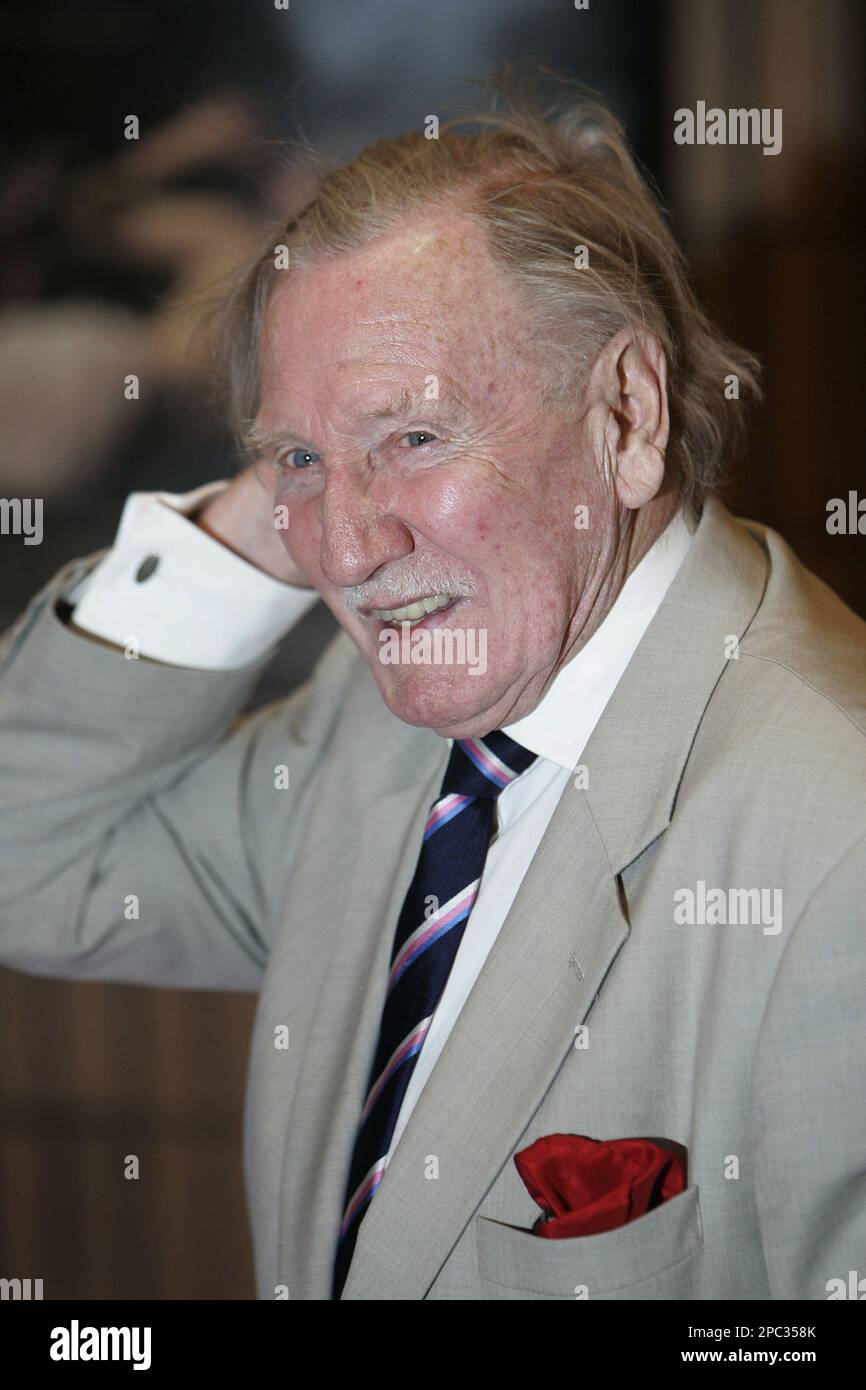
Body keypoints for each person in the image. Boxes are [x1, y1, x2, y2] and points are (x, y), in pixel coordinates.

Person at [1, 76, 864, 1301]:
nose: (344, 556)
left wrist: (324, 439)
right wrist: (282, 490)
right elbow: (22, 850)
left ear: (627, 414)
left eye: (414, 436)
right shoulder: (376, 737)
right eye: (293, 458)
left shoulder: (838, 843)